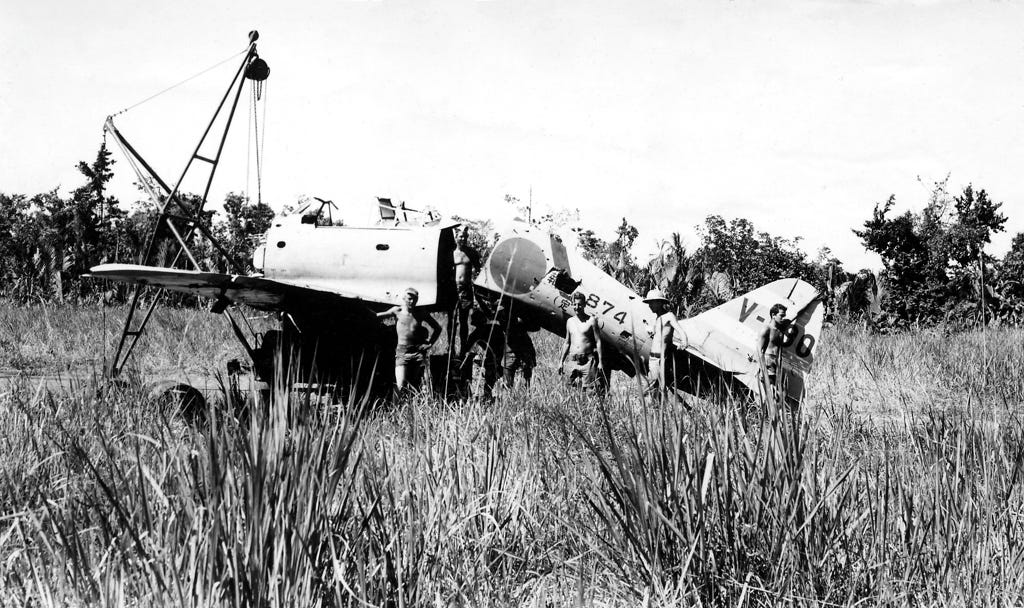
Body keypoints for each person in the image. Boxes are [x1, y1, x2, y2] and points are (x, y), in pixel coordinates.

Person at [377, 287, 442, 394]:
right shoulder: (397, 310)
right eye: (409, 299)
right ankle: (396, 408)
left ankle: (423, 406)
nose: (412, 301)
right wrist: (362, 308)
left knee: (426, 383)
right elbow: (377, 316)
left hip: (418, 352)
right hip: (402, 352)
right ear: (404, 298)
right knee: (400, 385)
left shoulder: (421, 313)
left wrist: (430, 344)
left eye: (415, 299)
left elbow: (438, 328)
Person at [460, 300, 508, 403]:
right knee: (492, 381)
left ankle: (487, 397)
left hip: (497, 359)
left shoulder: (480, 333)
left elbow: (467, 348)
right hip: (498, 358)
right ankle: (488, 397)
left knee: (491, 381)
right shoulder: (494, 328)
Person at [643, 288, 686, 399]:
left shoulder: (669, 316)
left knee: (648, 389)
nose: (649, 306)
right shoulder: (658, 318)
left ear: (659, 302)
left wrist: (684, 341)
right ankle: (658, 411)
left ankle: (649, 406)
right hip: (654, 359)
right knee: (657, 389)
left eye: (651, 303)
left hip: (659, 359)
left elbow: (680, 331)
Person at [559, 292, 605, 393]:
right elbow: (567, 342)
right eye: (575, 304)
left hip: (588, 361)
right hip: (572, 361)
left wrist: (600, 362)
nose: (577, 307)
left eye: (579, 304)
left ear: (584, 305)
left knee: (589, 391)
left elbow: (598, 342)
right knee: (568, 390)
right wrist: (561, 361)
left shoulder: (591, 321)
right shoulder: (570, 321)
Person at [450, 227, 480, 356]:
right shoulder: (451, 253)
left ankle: (463, 348)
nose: (463, 239)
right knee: (452, 320)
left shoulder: (472, 253)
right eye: (460, 236)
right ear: (456, 237)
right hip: (453, 288)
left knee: (463, 321)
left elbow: (479, 270)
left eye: (465, 237)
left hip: (466, 289)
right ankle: (451, 348)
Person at [758, 303, 789, 392]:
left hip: (778, 363)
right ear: (773, 315)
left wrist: (812, 299)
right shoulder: (766, 329)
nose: (783, 318)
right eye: (781, 316)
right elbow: (759, 351)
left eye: (785, 316)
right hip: (768, 363)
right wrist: (763, 369)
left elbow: (797, 313)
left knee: (780, 396)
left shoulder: (781, 329)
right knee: (769, 394)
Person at [503, 313, 537, 389]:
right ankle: (509, 398)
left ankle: (524, 397)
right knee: (507, 383)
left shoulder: (521, 320)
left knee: (525, 382)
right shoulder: (506, 320)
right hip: (512, 354)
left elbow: (536, 327)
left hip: (523, 353)